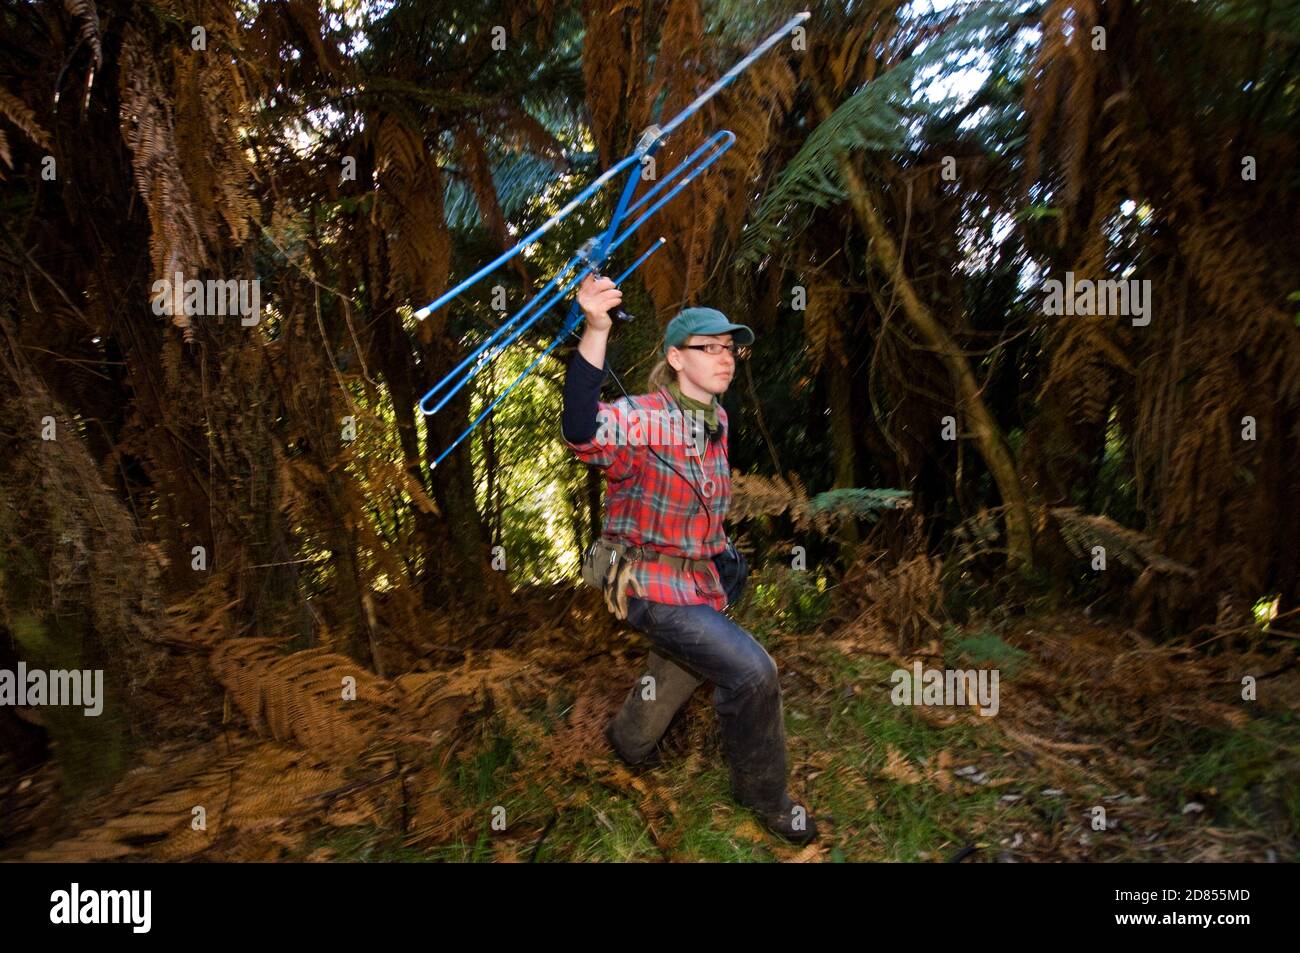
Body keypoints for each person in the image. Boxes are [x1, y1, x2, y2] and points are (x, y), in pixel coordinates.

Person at [559, 273, 819, 844]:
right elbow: (580, 430)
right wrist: (597, 328)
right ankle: (766, 799)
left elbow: (701, 501)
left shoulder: (717, 421)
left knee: (680, 666)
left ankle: (625, 746)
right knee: (752, 672)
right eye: (710, 348)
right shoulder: (644, 416)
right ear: (677, 358)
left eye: (730, 348)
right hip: (644, 583)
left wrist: (722, 551)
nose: (726, 358)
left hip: (696, 583)